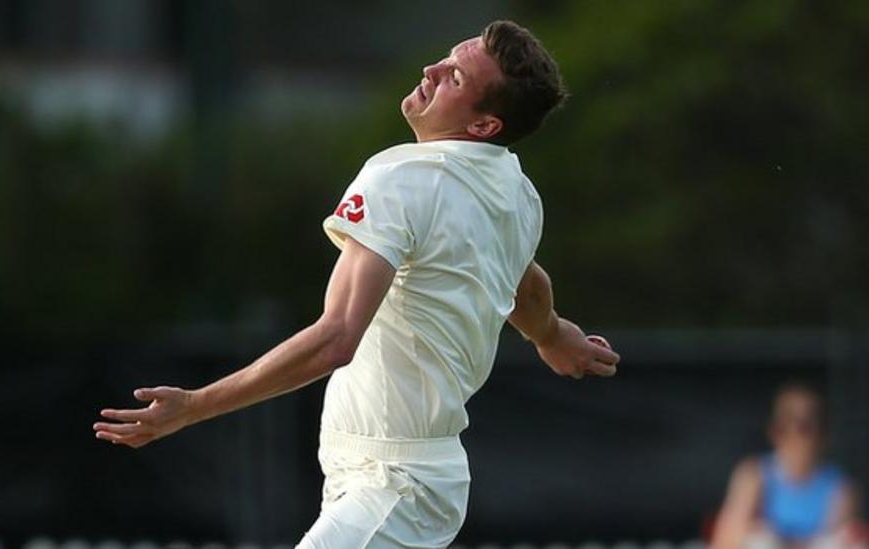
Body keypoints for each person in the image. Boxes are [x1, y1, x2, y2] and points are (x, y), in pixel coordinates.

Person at [93, 20, 620, 547]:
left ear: (483, 126)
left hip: (393, 484)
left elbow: (337, 339)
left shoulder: (401, 181)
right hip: (404, 479)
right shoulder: (516, 190)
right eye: (446, 58)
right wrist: (550, 335)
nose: (431, 70)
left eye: (455, 77)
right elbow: (524, 283)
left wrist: (194, 407)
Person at [713, 382, 864, 549]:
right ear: (774, 431)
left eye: (807, 426)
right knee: (761, 541)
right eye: (788, 424)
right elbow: (724, 541)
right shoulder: (754, 475)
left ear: (824, 434)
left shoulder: (841, 488)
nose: (797, 436)